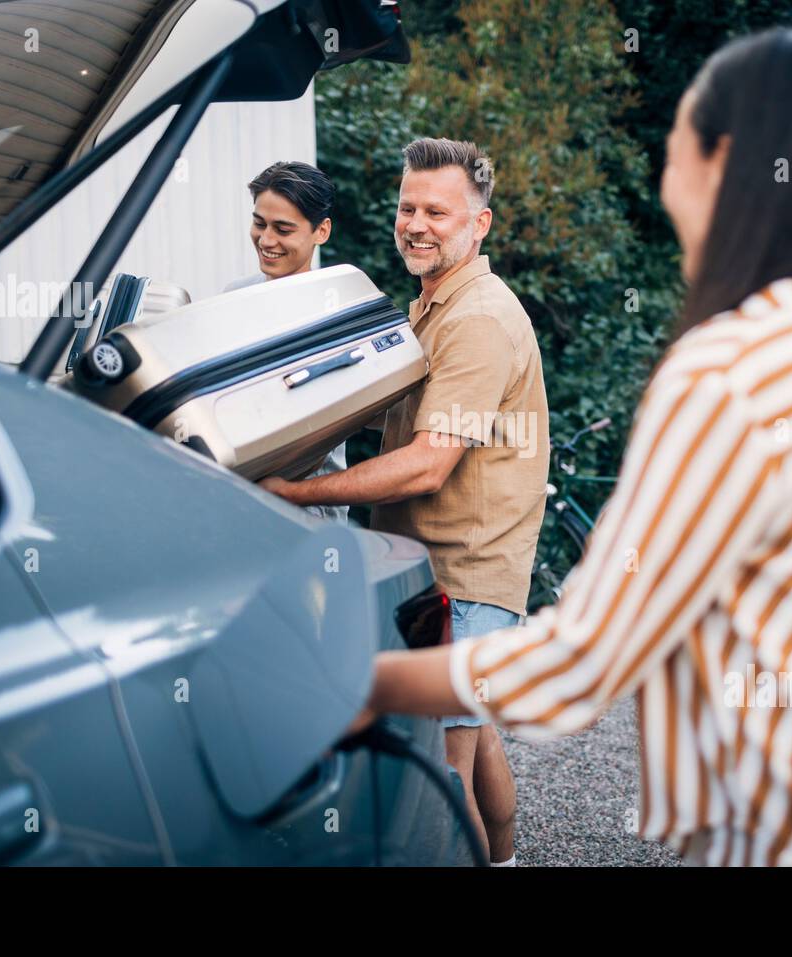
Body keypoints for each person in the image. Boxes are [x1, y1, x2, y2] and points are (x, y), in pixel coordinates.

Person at [354, 28, 792, 866]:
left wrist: (369, 684)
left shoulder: (731, 368)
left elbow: (584, 659)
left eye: (676, 136)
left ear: (725, 168)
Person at [260, 138, 550, 867]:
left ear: (478, 225)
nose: (416, 223)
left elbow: (426, 464)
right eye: (407, 207)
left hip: (464, 574)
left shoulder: (476, 318)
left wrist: (295, 490)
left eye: (437, 212)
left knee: (439, 775)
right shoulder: (434, 303)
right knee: (473, 741)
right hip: (452, 572)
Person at [227, 161, 347, 524]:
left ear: (321, 231)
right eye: (259, 223)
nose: (265, 240)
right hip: (238, 504)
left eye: (283, 229)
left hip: (307, 516)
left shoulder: (338, 314)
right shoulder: (232, 298)